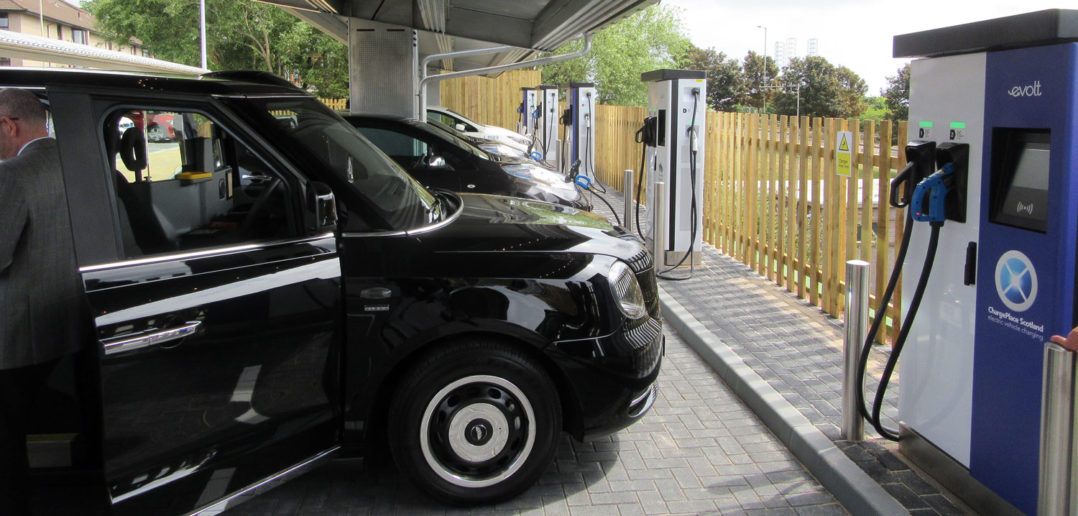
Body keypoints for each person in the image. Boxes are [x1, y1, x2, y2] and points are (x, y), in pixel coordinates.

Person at [0, 88, 84, 515]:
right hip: (67, 322)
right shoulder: (79, 164)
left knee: (6, 441)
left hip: (15, 337)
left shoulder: (11, 174)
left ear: (9, 126)